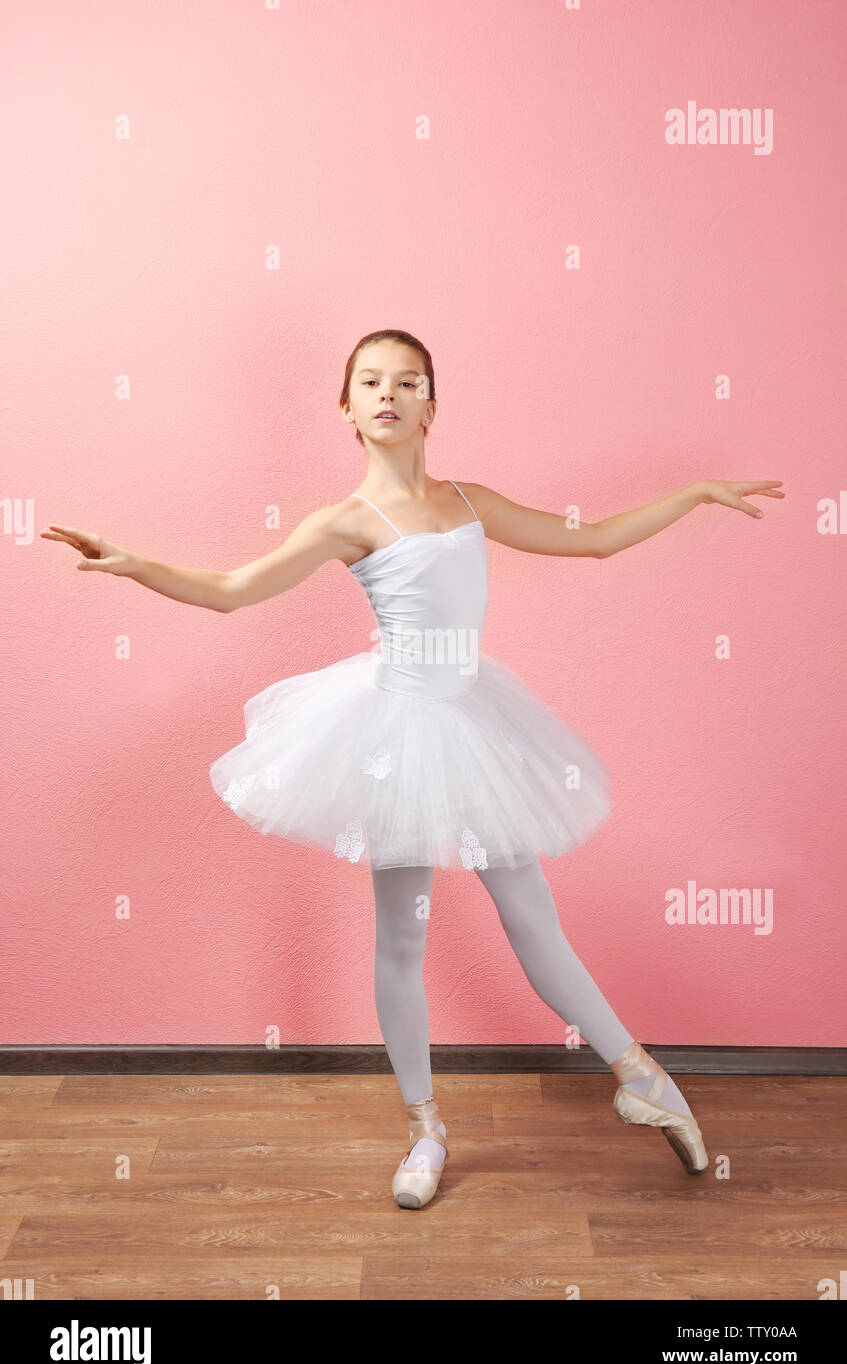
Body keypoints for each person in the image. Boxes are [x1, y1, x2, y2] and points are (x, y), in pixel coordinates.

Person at [40, 328, 784, 1209]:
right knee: (401, 937)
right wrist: (135, 566)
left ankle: (641, 1076)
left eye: (407, 381)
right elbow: (233, 591)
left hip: (474, 724)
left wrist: (693, 493)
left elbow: (593, 541)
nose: (388, 394)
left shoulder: (470, 502)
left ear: (432, 404)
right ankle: (425, 1129)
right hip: (394, 737)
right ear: (346, 409)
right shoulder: (344, 522)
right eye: (370, 382)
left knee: (531, 918)